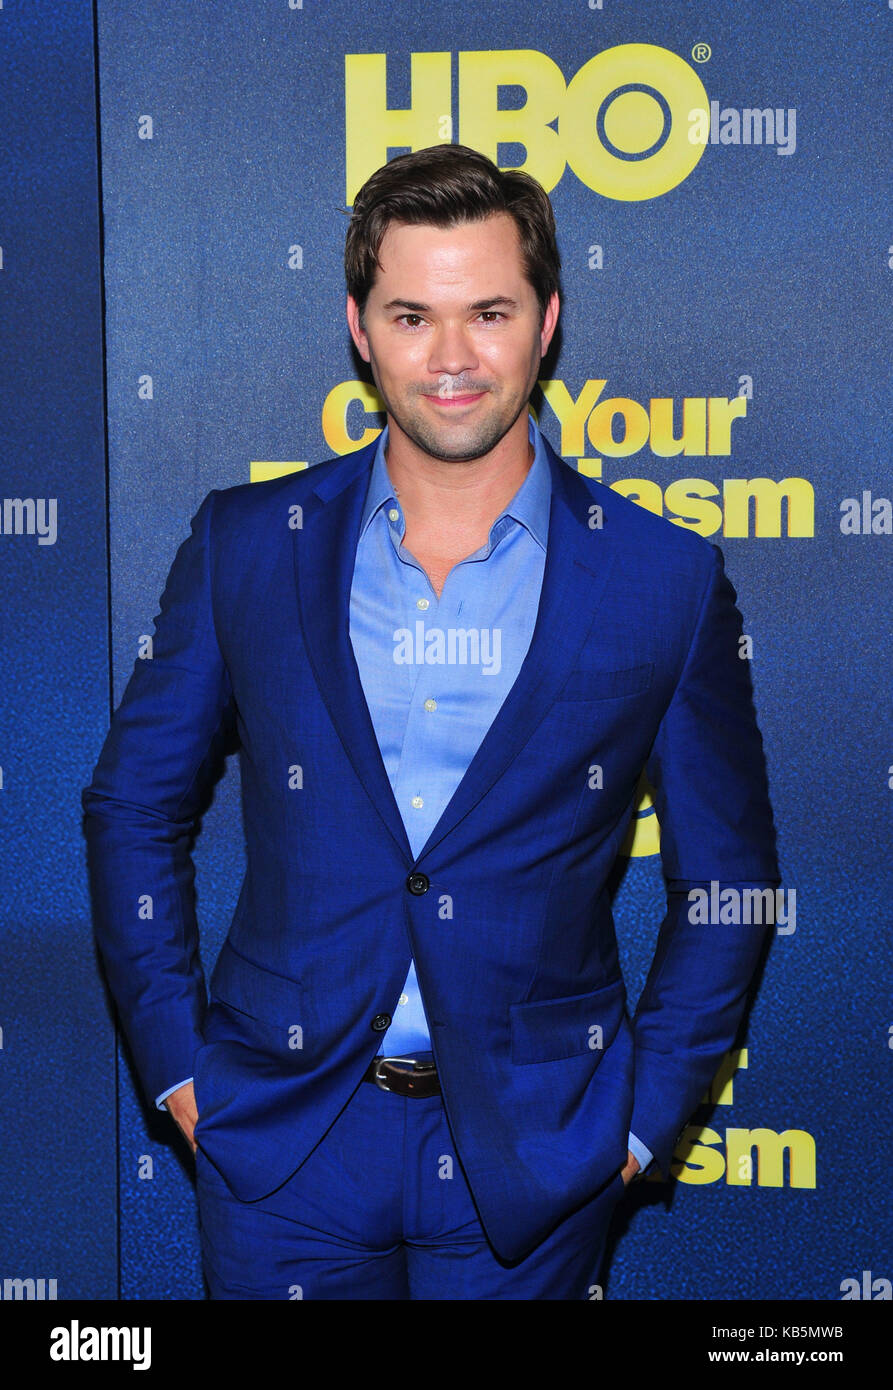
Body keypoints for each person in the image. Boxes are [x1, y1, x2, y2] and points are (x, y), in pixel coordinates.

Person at [82, 143, 779, 1300]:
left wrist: (639, 1122)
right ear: (360, 328)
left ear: (546, 321)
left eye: (487, 312)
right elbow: (132, 806)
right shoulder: (250, 543)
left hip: (535, 1147)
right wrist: (180, 1068)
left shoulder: (661, 579)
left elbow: (732, 883)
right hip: (281, 1139)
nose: (451, 359)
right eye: (411, 315)